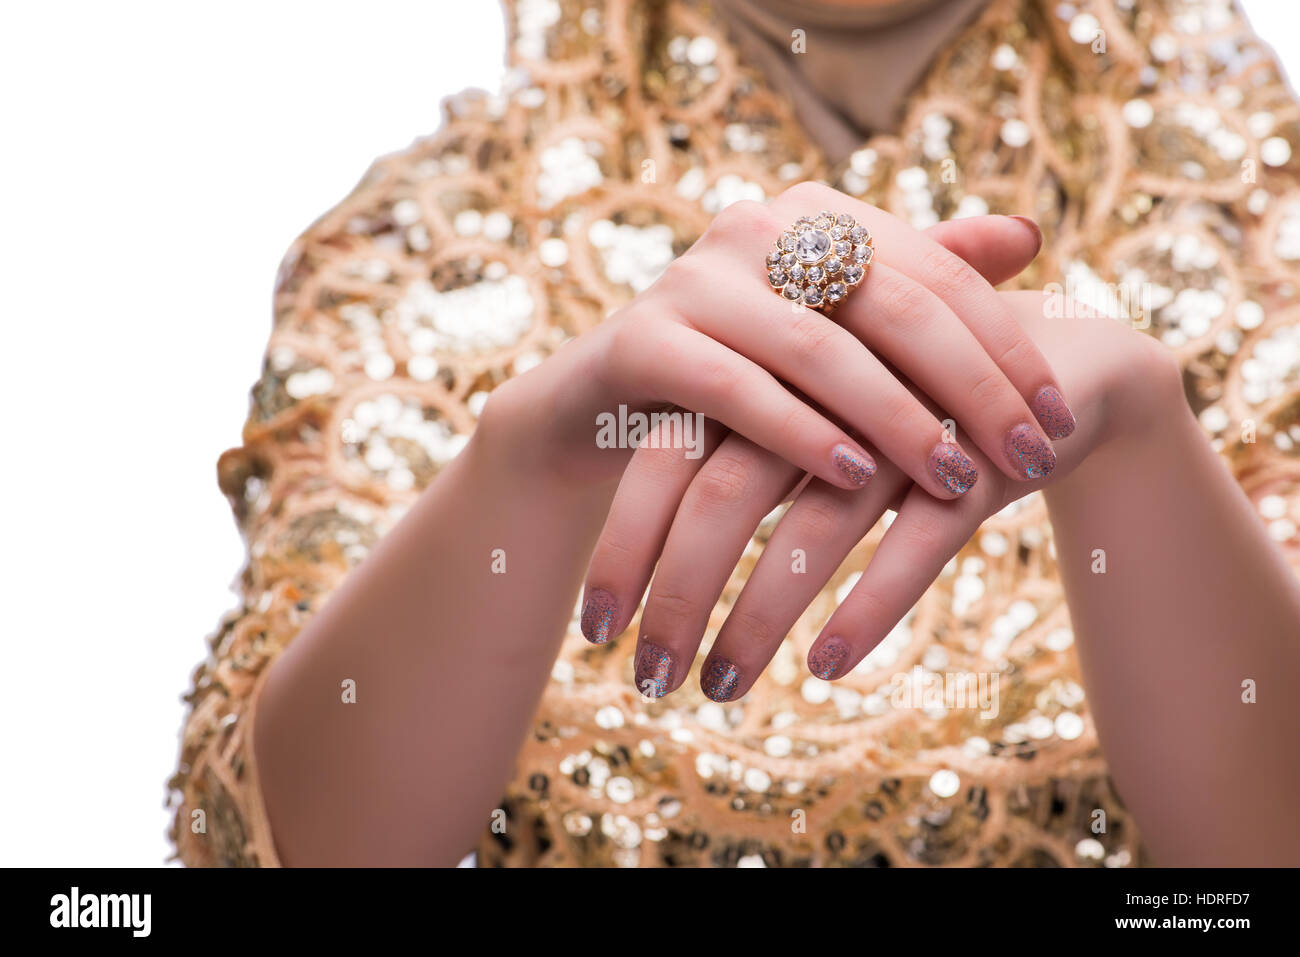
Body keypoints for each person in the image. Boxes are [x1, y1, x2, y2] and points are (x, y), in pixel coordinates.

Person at [170, 0, 1300, 867]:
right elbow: (261, 845)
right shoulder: (428, 243)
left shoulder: (1266, 221)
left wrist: (1142, 451)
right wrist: (532, 460)